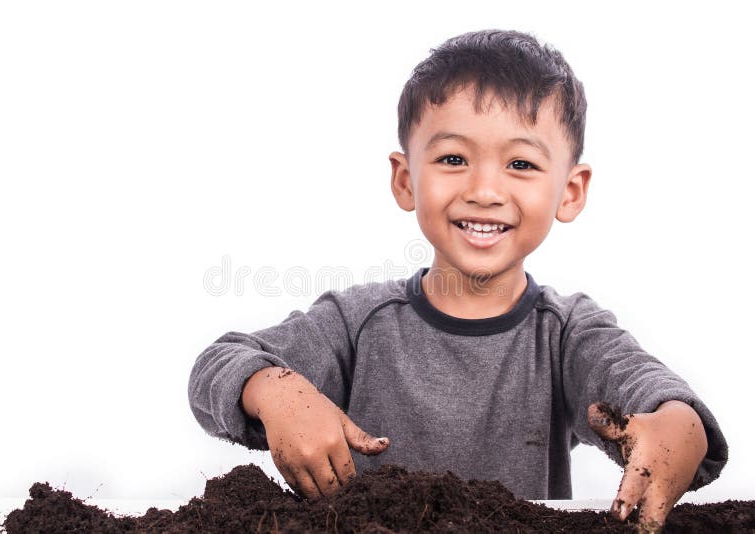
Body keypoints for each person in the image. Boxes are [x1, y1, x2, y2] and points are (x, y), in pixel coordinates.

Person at [188, 29, 727, 530]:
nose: (484, 191)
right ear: (406, 180)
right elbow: (220, 363)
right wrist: (274, 390)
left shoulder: (566, 335)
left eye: (521, 164)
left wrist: (676, 423)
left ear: (570, 191)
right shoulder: (356, 325)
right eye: (452, 158)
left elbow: (643, 387)